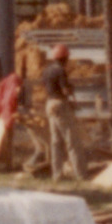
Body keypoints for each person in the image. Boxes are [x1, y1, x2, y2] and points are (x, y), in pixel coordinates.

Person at [36, 42, 85, 182]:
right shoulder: (60, 70)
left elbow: (48, 87)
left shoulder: (47, 70)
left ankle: (57, 174)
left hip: (50, 104)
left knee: (56, 142)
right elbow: (65, 91)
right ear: (64, 58)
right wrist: (70, 88)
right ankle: (80, 174)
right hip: (60, 104)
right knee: (72, 141)